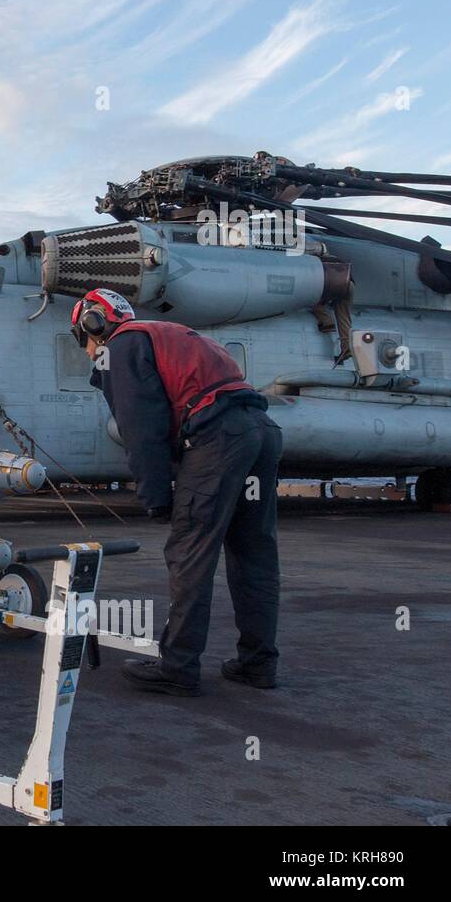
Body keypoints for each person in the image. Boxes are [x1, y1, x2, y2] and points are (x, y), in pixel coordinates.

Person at [72, 287, 283, 696]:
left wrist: (155, 496)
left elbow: (140, 426)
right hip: (260, 431)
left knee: (190, 553)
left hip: (218, 438)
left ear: (92, 326)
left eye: (82, 342)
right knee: (254, 554)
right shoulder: (171, 332)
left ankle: (179, 667)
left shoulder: (120, 345)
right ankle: (259, 664)